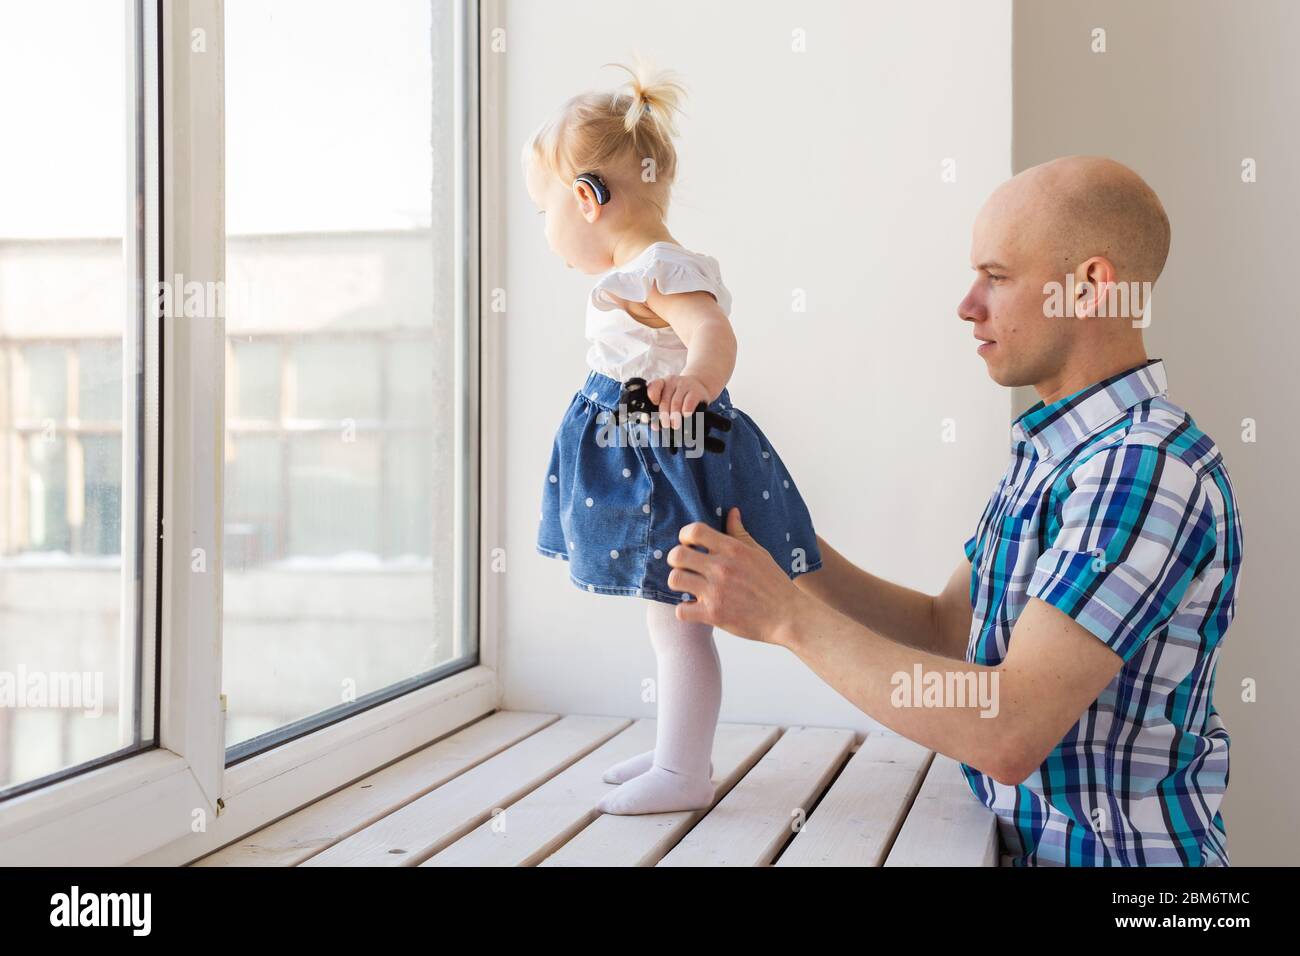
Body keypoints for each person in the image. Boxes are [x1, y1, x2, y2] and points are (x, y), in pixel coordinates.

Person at [667, 156, 1245, 866]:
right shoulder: (1060, 452)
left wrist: (787, 618)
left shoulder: (1142, 471)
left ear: (1092, 288)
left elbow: (1009, 729)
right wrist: (782, 543)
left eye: (997, 277)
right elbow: (948, 629)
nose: (969, 305)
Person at [525, 60, 823, 815]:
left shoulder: (655, 271)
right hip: (644, 455)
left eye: (543, 209)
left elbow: (711, 329)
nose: (545, 230)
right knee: (665, 617)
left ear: (587, 199)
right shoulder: (636, 272)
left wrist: (699, 378)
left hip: (664, 465)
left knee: (678, 618)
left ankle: (684, 771)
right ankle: (674, 752)